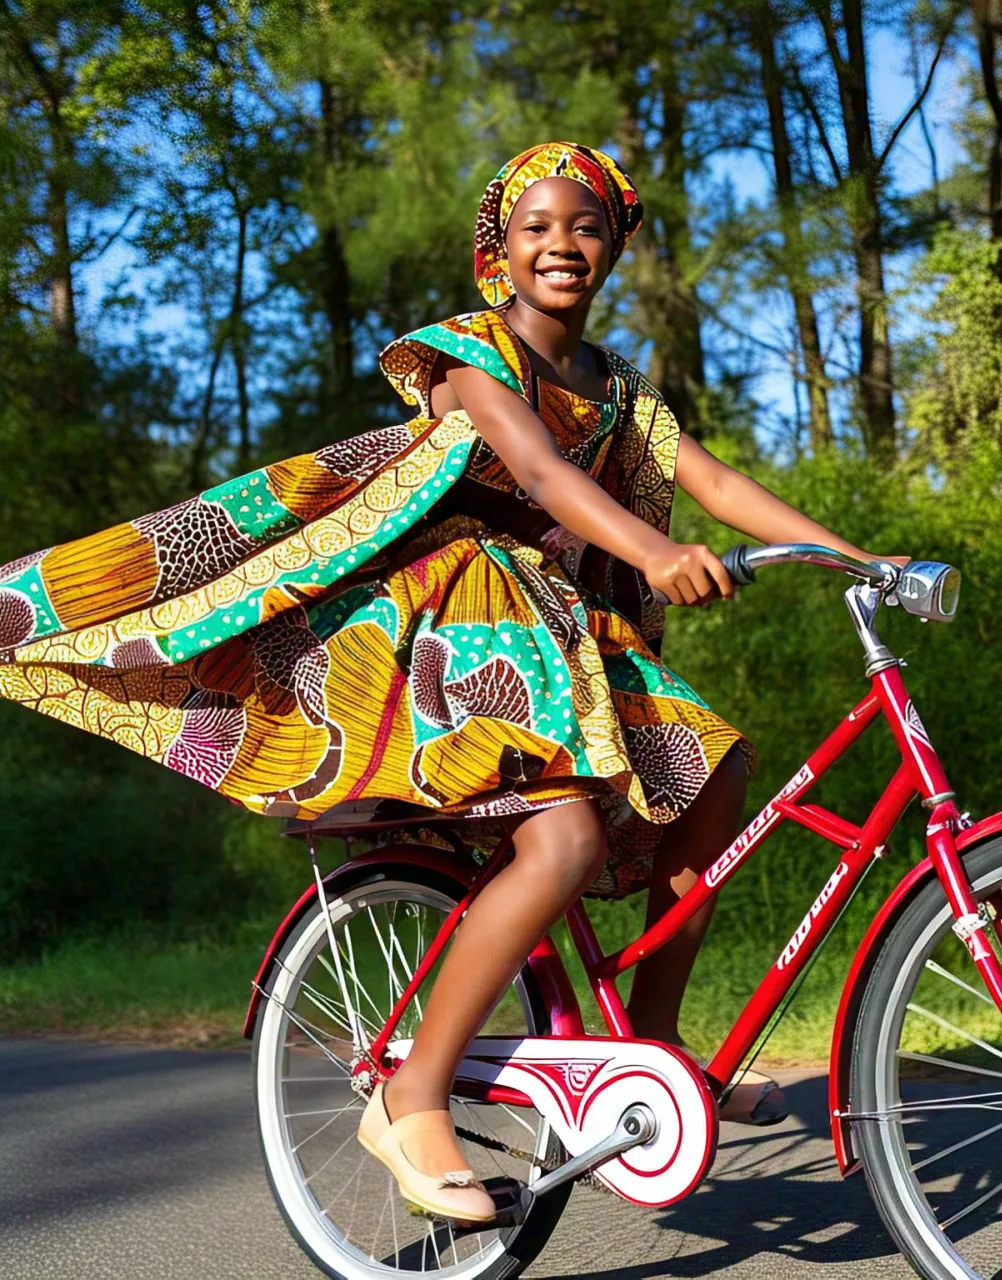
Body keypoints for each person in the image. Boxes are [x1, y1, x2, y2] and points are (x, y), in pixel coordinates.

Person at [0, 141, 904, 1224]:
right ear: (496, 255)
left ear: (612, 246)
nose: (560, 243)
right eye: (535, 227)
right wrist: (656, 555)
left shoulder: (616, 386)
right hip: (456, 625)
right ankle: (411, 1090)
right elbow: (537, 471)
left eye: (583, 226)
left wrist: (859, 557)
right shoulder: (469, 355)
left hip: (564, 633)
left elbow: (708, 478)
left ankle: (648, 1049)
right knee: (561, 836)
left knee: (711, 769)